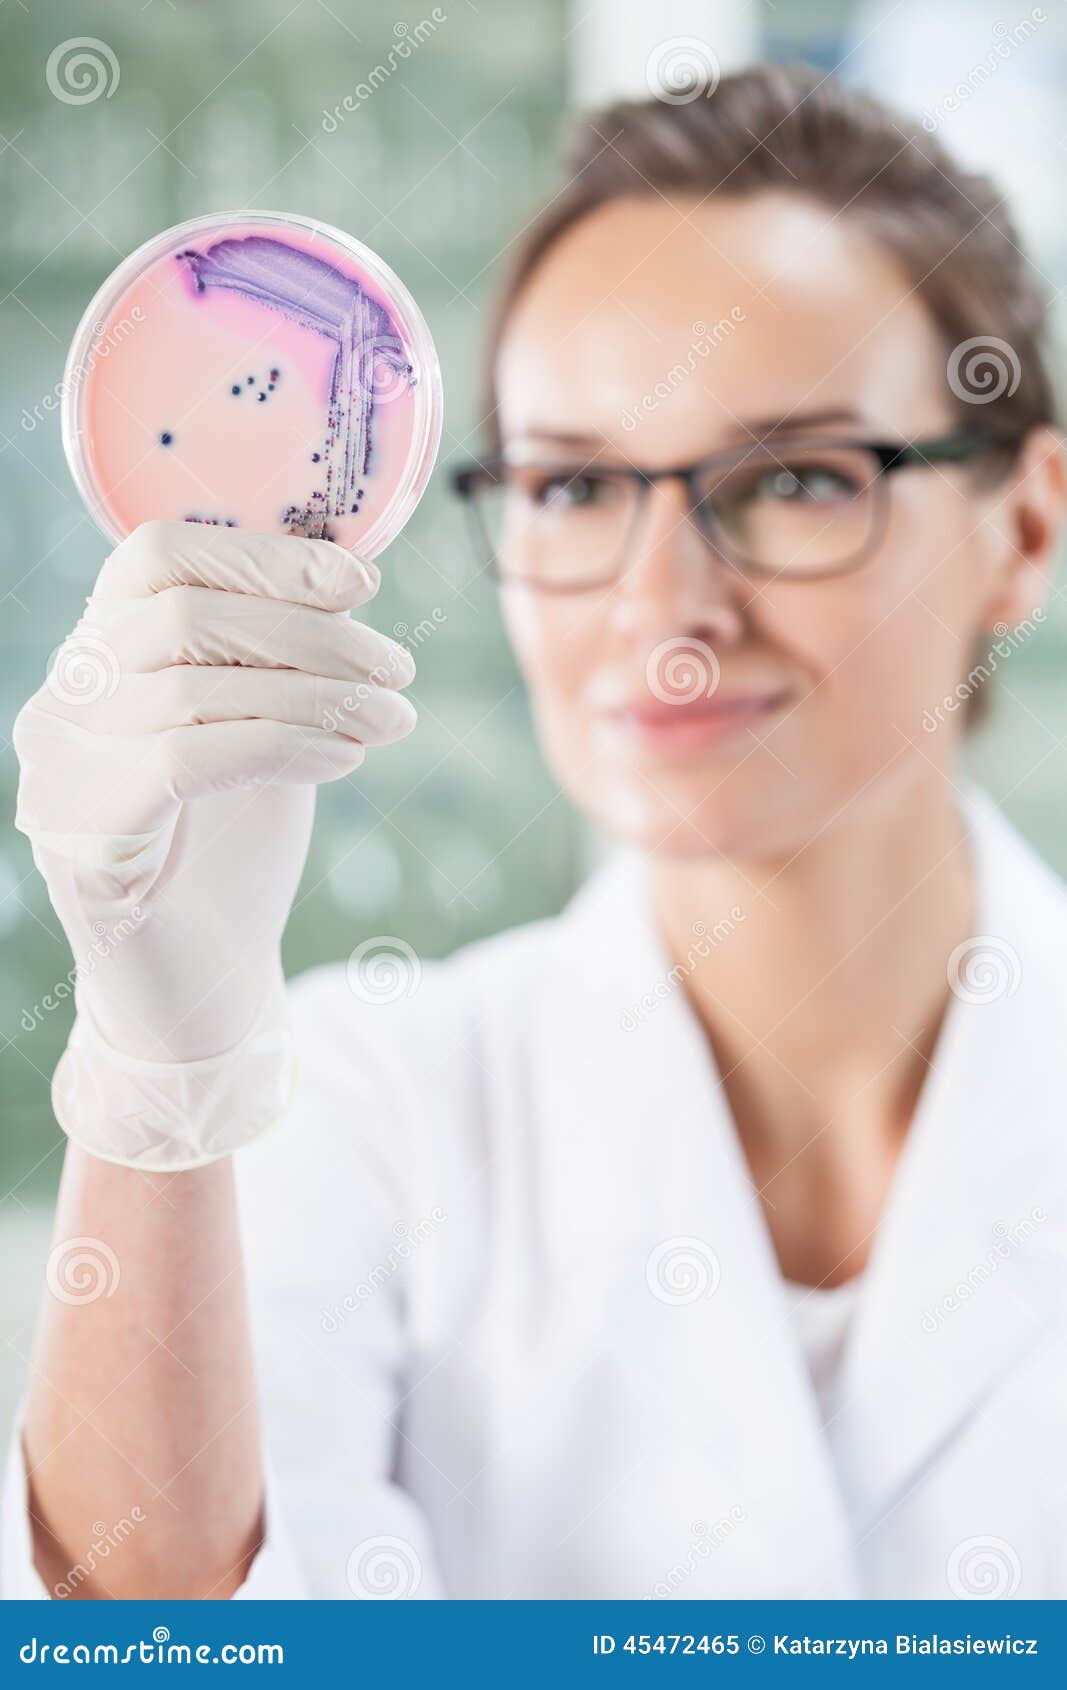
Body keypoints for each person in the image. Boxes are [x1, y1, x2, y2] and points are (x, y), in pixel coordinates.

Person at [4, 64, 1066, 1602]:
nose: (664, 607)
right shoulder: (363, 1103)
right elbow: (154, 1649)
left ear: (1023, 526)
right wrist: (157, 1084)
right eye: (573, 486)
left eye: (792, 479)